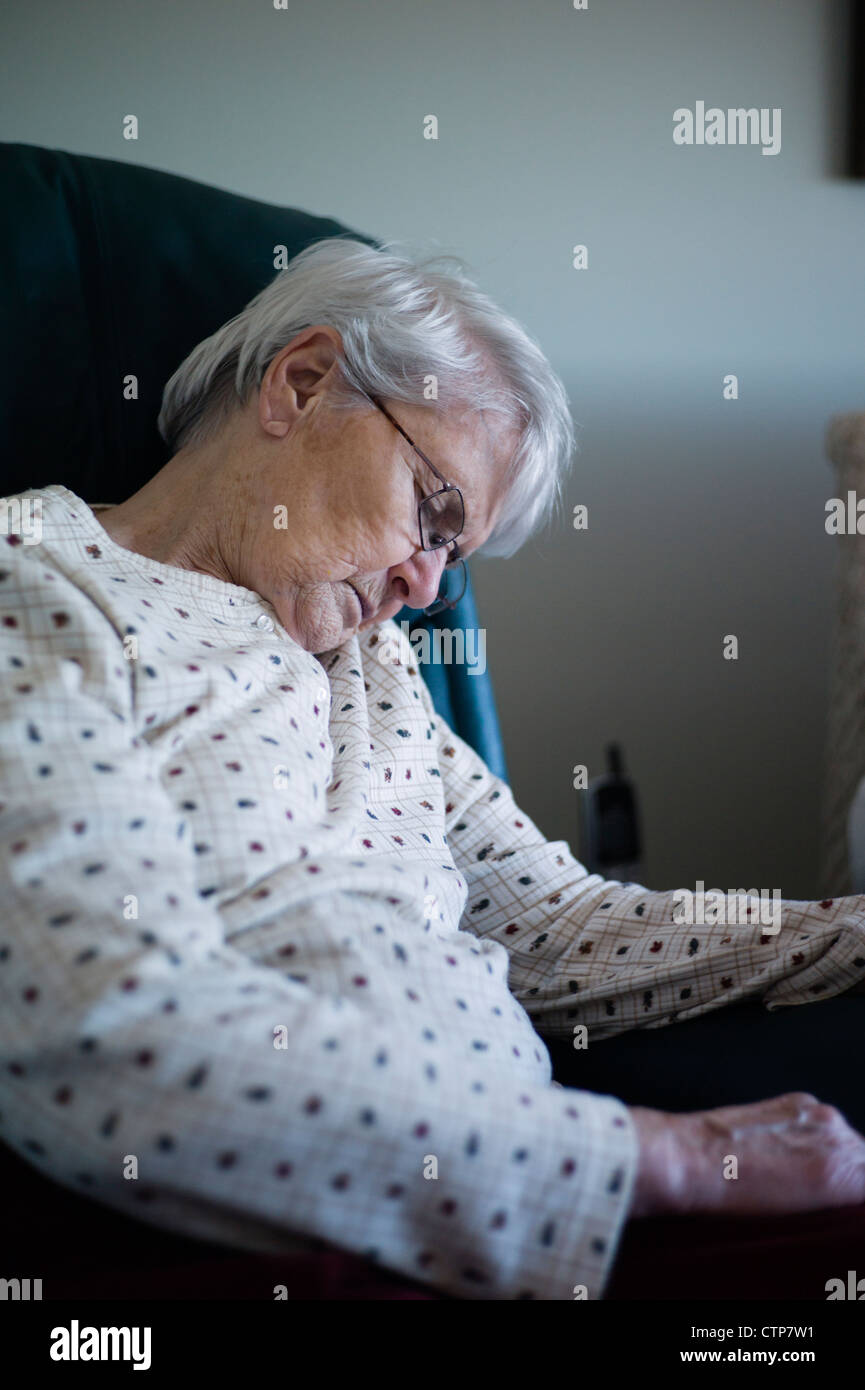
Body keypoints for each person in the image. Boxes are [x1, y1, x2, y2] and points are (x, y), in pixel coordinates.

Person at [1, 237, 864, 1302]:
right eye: (435, 513)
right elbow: (105, 1029)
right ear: (302, 383)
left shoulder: (371, 670)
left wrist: (848, 931)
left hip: (544, 1209)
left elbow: (559, 929)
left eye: (455, 557)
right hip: (315, 1236)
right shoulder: (42, 589)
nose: (424, 586)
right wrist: (664, 1159)